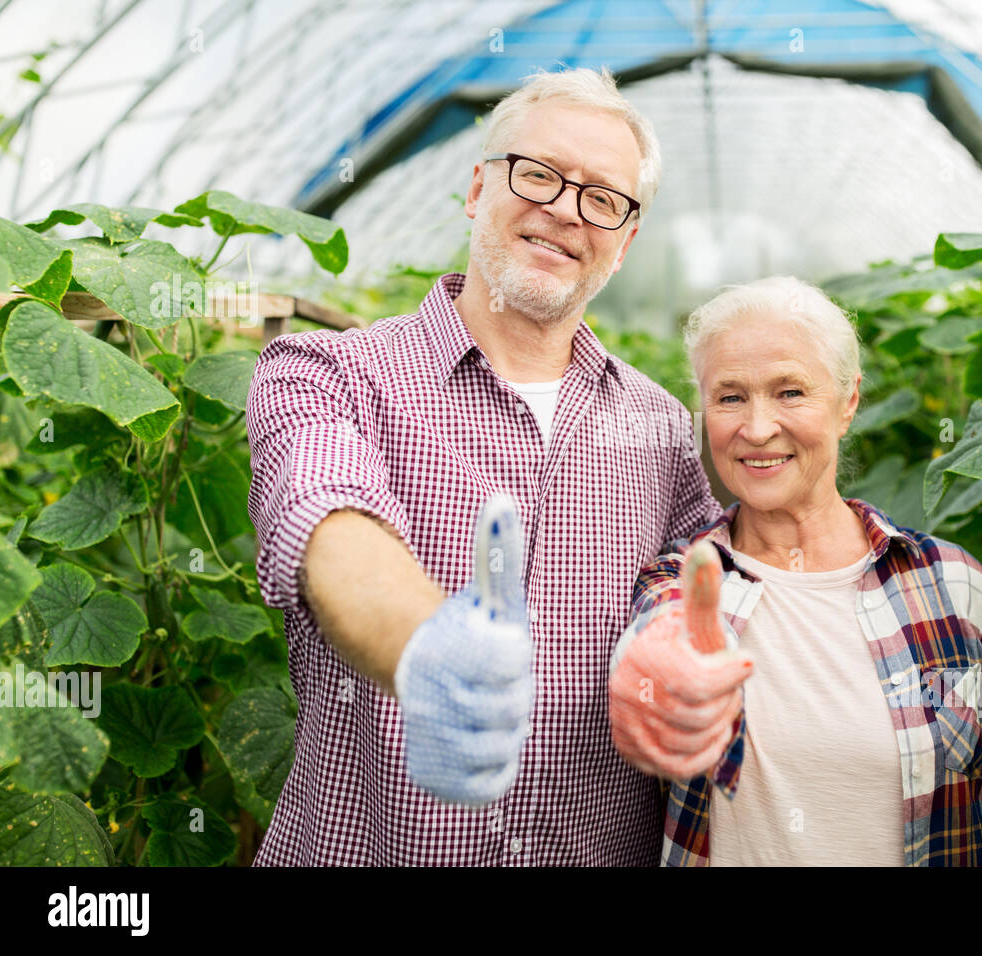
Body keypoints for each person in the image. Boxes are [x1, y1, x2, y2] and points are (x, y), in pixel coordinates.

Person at [244, 66, 724, 865]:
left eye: (603, 197)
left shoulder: (662, 426)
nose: (565, 211)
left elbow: (696, 580)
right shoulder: (326, 373)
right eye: (537, 174)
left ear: (626, 238)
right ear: (477, 187)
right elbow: (327, 516)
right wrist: (426, 644)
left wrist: (673, 651)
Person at [608, 276, 982, 866]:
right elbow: (655, 645)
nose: (758, 427)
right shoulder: (680, 585)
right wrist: (656, 674)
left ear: (847, 402)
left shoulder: (955, 586)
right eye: (729, 397)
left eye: (790, 392)